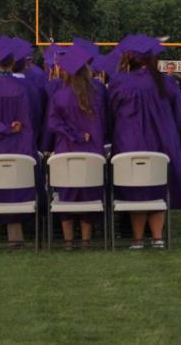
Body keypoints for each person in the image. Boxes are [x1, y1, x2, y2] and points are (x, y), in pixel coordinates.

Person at [108, 35, 181, 249]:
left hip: (129, 142)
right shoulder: (165, 82)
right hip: (161, 142)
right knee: (158, 187)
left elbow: (111, 112)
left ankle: (137, 239)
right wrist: (169, 130)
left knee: (136, 189)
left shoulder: (120, 81)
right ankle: (157, 237)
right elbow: (179, 112)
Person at [0, 37, 39, 248]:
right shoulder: (25, 87)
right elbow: (31, 118)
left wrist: (1, 129)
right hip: (20, 144)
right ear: (12, 63)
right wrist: (13, 129)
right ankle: (15, 238)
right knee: (15, 188)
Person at [47, 46, 107, 250]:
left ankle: (68, 241)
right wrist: (84, 135)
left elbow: (53, 124)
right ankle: (86, 240)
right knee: (89, 193)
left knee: (67, 194)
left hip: (67, 149)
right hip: (92, 150)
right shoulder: (98, 92)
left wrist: (75, 135)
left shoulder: (60, 95)